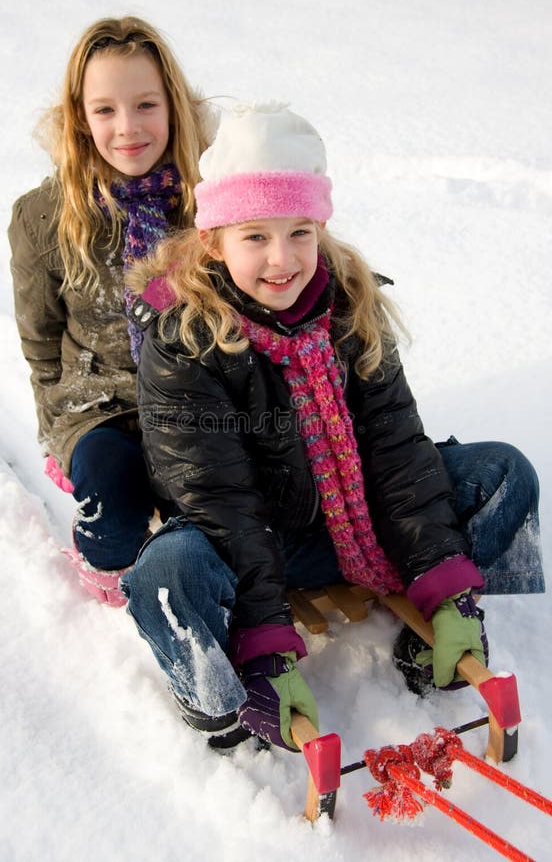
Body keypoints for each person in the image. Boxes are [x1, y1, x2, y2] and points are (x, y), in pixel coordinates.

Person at [121, 102, 544, 751]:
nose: (281, 259)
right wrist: (264, 639)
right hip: (248, 541)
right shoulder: (185, 344)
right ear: (214, 240)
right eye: (255, 236)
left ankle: (436, 627)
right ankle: (222, 701)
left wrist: (447, 583)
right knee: (168, 574)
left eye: (299, 232)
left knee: (505, 472)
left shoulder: (350, 307)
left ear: (321, 227)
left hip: (352, 523)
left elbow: (399, 453)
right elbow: (219, 502)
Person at [8, 16, 212, 605]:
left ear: (173, 105)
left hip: (195, 394)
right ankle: (105, 554)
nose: (128, 128)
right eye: (105, 110)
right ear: (79, 116)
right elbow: (41, 340)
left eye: (145, 104)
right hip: (98, 402)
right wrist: (57, 431)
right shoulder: (43, 216)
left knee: (205, 511)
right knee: (115, 499)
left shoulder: (209, 199)